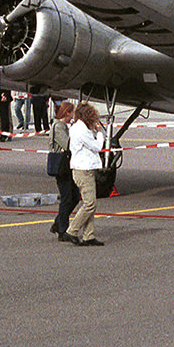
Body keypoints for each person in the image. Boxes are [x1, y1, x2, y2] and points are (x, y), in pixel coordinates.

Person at [64, 102, 106, 245]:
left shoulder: (78, 128)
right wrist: (99, 134)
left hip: (83, 169)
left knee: (90, 203)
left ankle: (89, 235)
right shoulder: (81, 131)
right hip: (84, 170)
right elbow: (96, 146)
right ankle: (72, 230)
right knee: (90, 204)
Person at [48, 101, 81, 241]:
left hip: (68, 166)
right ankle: (62, 229)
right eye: (71, 112)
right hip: (61, 167)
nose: (72, 116)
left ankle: (58, 222)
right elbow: (68, 144)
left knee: (74, 196)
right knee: (67, 198)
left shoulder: (64, 126)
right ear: (67, 113)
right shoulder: (58, 126)